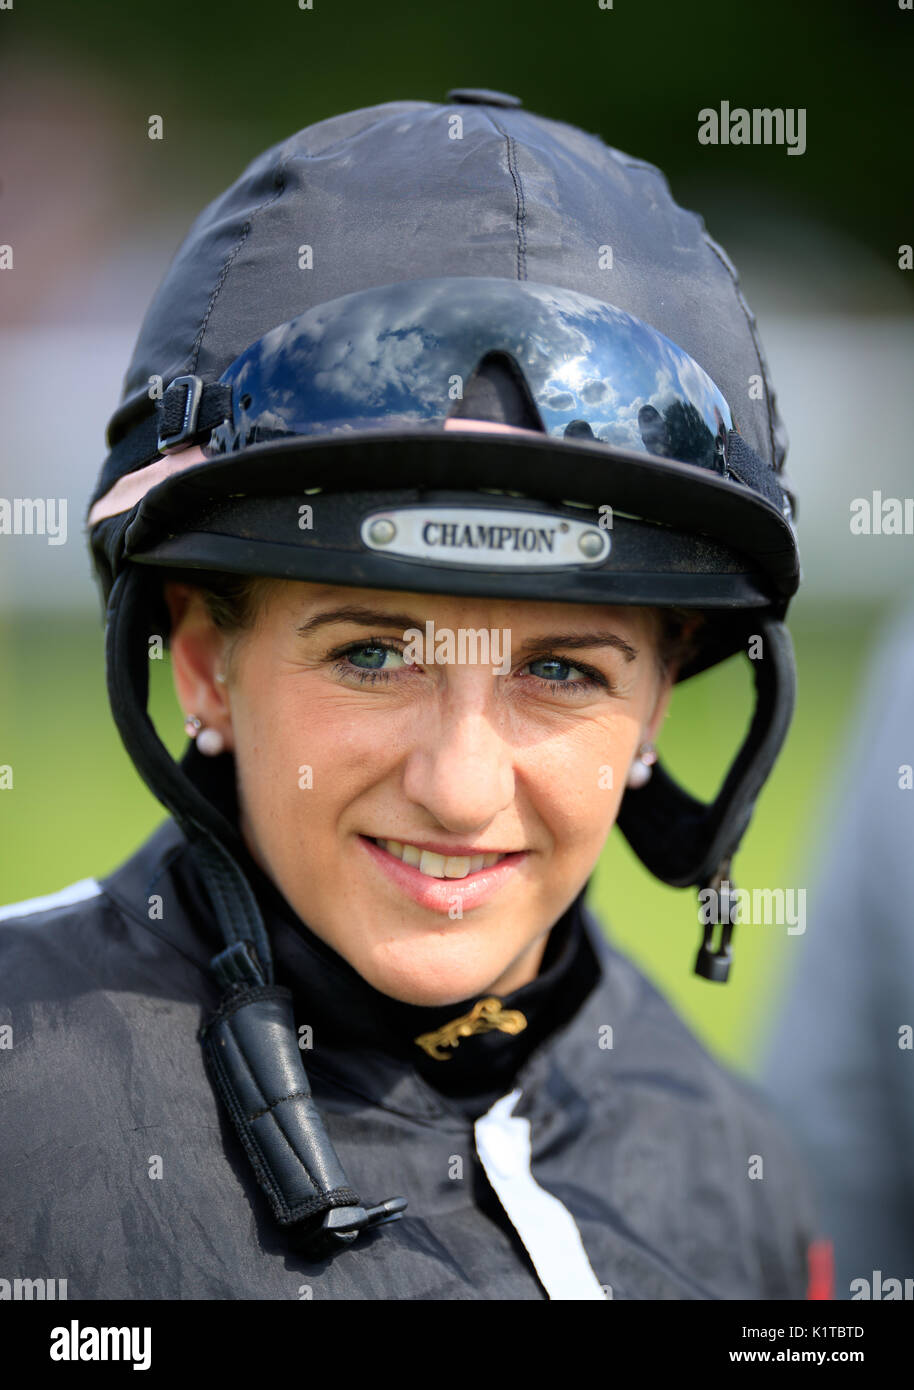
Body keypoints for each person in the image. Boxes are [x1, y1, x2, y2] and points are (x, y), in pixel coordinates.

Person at [0, 88, 819, 1299]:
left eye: (560, 671)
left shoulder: (735, 1161)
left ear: (653, 704)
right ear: (203, 665)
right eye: (372, 654)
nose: (459, 785)